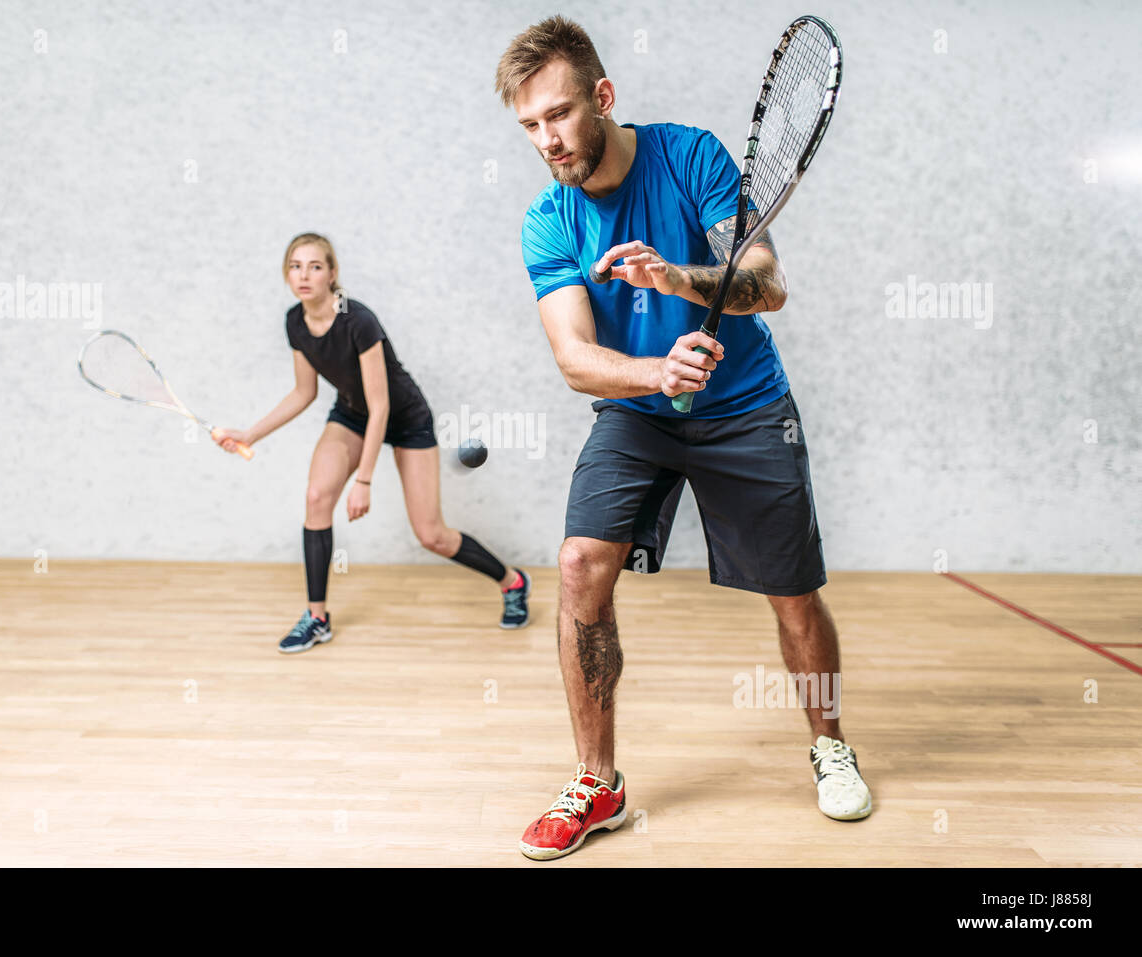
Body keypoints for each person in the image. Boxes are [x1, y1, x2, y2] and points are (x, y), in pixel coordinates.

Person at [495, 16, 871, 860]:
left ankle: (830, 742)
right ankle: (600, 782)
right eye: (528, 126)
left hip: (745, 405)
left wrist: (675, 276)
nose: (547, 139)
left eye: (558, 114)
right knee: (579, 562)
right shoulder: (548, 221)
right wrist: (656, 372)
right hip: (638, 414)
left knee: (794, 590)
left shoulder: (691, 156)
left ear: (602, 96)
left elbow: (766, 284)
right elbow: (577, 360)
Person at [214, 232, 530, 651]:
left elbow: (381, 406)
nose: (304, 275)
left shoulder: (357, 320)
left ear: (333, 273)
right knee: (316, 497)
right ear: (287, 275)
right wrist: (250, 433)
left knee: (431, 535)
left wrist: (363, 480)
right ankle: (317, 617)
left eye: (315, 266)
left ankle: (513, 582)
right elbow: (303, 392)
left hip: (405, 419)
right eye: (295, 266)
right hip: (351, 415)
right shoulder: (295, 321)